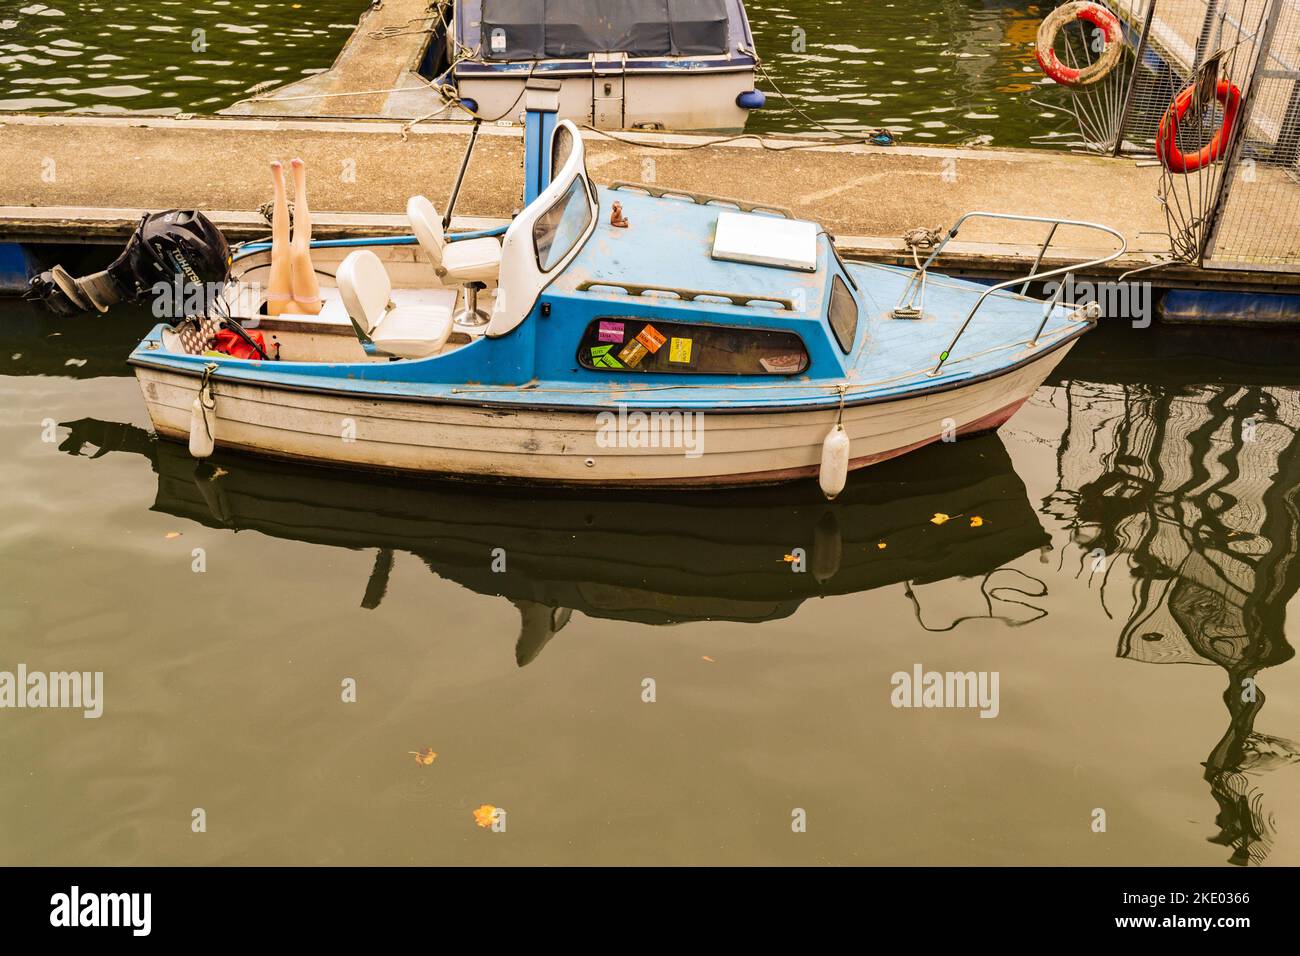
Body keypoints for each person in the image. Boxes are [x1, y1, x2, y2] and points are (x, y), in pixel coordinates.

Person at [266, 158, 322, 315]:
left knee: (279, 252)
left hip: (277, 311)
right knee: (300, 253)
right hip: (308, 311)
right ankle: (299, 185)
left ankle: (279, 188)